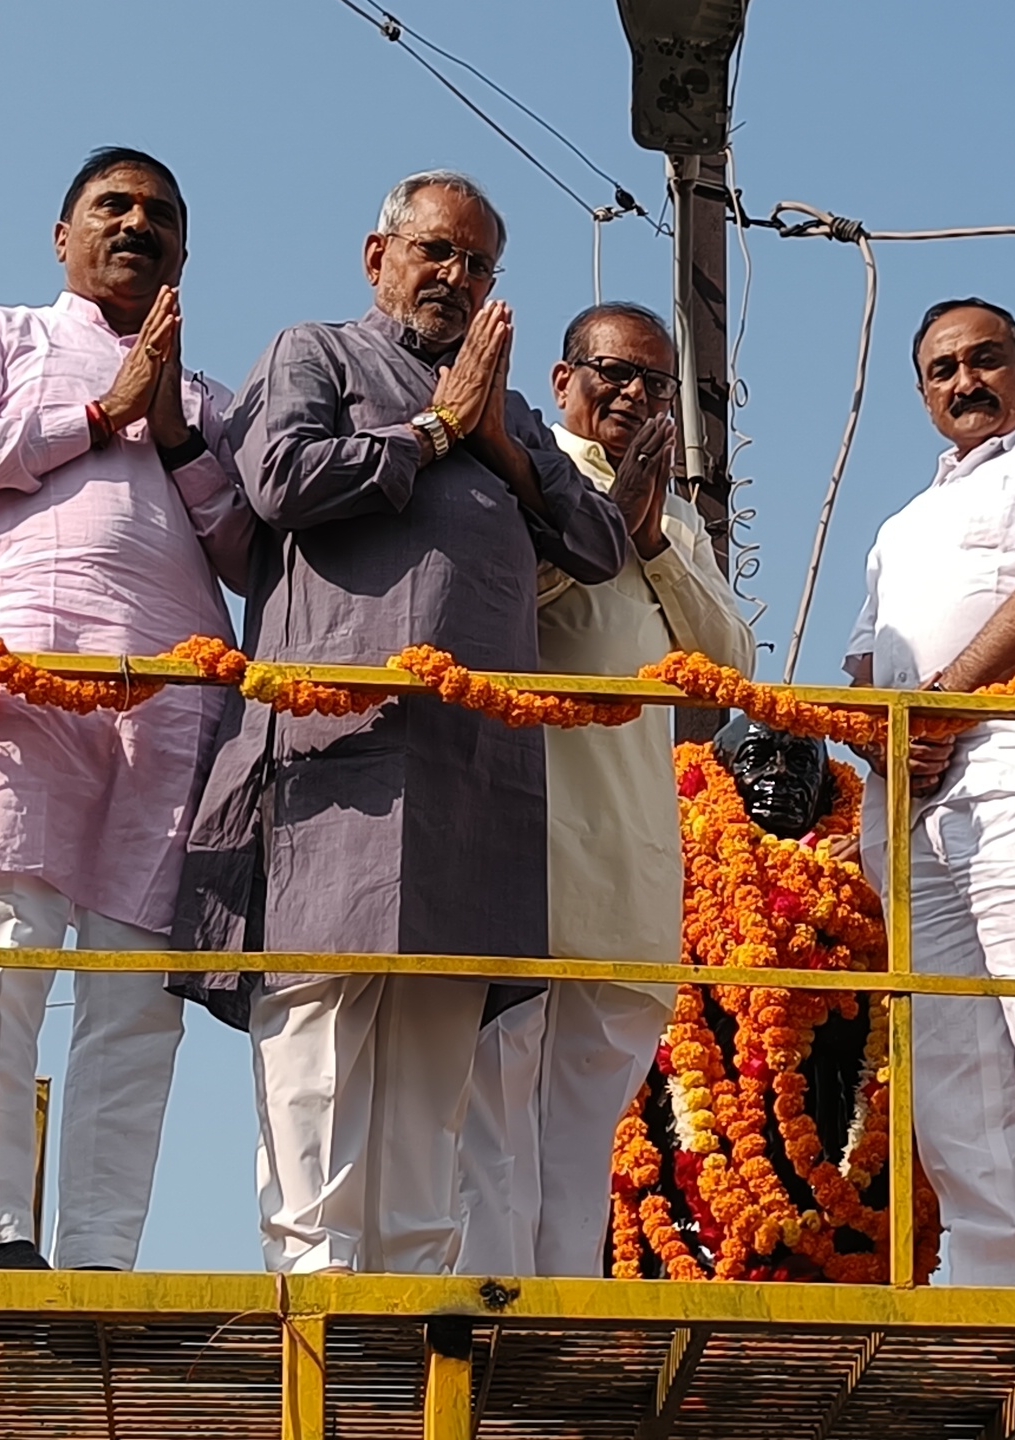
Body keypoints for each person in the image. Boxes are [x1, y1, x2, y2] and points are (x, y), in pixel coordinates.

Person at [173, 170, 629, 1276]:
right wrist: (430, 433)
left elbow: (600, 539)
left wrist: (500, 444)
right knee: (318, 1038)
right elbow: (281, 479)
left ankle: (418, 1312)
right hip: (341, 758)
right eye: (436, 253)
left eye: (478, 265)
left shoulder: (509, 406)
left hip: (472, 772)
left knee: (436, 1067)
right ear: (377, 257)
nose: (455, 278)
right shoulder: (314, 353)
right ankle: (317, 1299)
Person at [0, 146, 254, 1271]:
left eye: (159, 215)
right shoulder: (0, 332)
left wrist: (178, 428)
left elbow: (250, 549)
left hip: (176, 706)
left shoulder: (212, 397)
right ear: (64, 236)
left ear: (185, 256)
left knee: (139, 993)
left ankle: (100, 1255)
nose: (136, 224)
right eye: (113, 205)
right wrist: (100, 416)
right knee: (3, 960)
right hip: (27, 684)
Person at [456, 302, 753, 1277]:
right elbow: (488, 613)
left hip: (626, 856)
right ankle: (497, 1321)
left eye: (653, 382)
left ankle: (561, 1327)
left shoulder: (672, 518)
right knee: (493, 1113)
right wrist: (596, 524)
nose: (632, 393)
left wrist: (650, 536)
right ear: (560, 379)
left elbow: (728, 661)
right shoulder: (517, 474)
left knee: (586, 1130)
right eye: (611, 372)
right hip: (523, 849)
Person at [846, 297, 1015, 1288]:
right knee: (954, 1078)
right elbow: (869, 666)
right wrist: (888, 742)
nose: (967, 382)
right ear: (922, 393)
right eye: (943, 369)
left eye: (986, 359)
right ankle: (994, 1301)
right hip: (916, 808)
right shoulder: (899, 525)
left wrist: (946, 702)